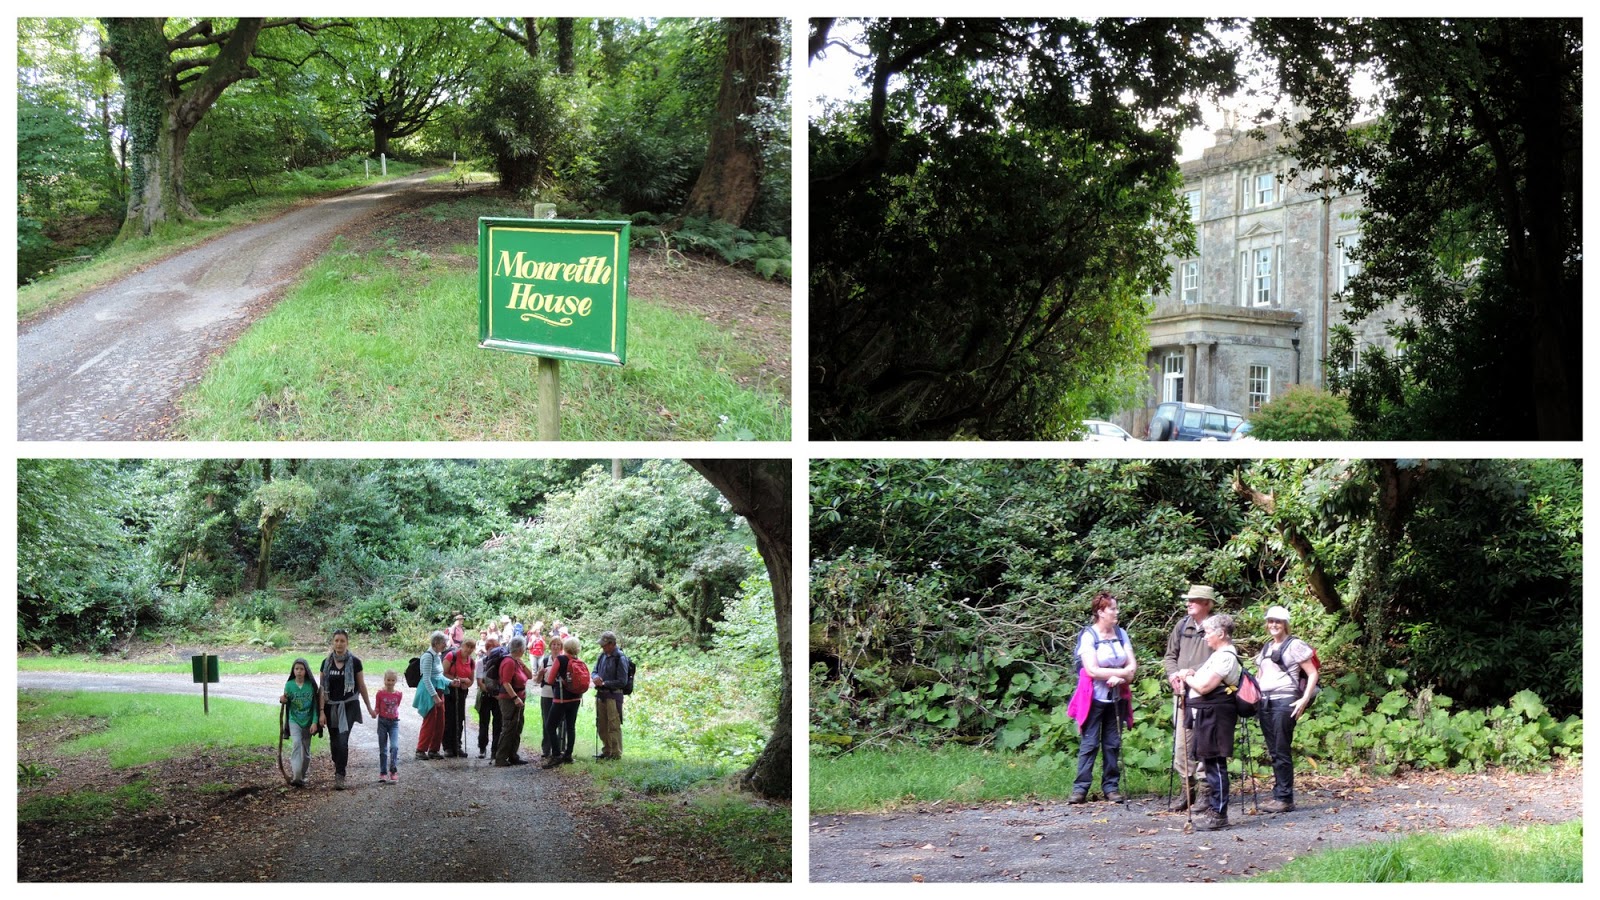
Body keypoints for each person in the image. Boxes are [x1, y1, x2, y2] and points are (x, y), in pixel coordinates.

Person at [1068, 593, 1135, 803]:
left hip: (1117, 698)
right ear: (1100, 612)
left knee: (1112, 743)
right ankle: (1080, 789)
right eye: (1112, 608)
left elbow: (1132, 668)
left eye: (1116, 608)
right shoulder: (1089, 636)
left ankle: (1111, 788)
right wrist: (1118, 674)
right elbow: (1091, 670)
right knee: (1089, 744)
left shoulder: (1121, 634)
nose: (1116, 612)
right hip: (1093, 698)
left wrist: (1120, 677)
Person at [1255, 605, 1320, 812]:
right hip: (1265, 701)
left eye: (1278, 621)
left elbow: (1312, 673)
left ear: (1285, 624)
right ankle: (1279, 795)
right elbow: (1260, 675)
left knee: (1281, 748)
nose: (1273, 625)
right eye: (1270, 621)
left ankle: (1284, 798)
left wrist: (1304, 699)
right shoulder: (1267, 647)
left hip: (1285, 701)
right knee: (1274, 750)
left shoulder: (1295, 645)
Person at [1182, 614, 1242, 830]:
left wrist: (1186, 677)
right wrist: (1192, 674)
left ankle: (1219, 813)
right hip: (1208, 713)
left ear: (1221, 634)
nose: (1205, 637)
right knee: (1209, 761)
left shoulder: (1226, 657)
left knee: (1216, 762)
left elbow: (1204, 687)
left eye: (1208, 632)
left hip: (1216, 715)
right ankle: (1215, 809)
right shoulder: (1218, 655)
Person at [1162, 584, 1217, 809]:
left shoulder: (1216, 627)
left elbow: (1221, 659)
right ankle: (1187, 790)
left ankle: (1206, 790)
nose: (1188, 603)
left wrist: (1194, 673)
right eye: (1188, 600)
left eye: (1193, 600)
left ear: (1206, 603)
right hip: (1182, 692)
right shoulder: (1182, 625)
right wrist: (1173, 675)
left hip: (1206, 693)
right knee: (1182, 744)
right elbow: (1170, 656)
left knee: (1204, 742)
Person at [319, 629, 374, 790]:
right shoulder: (326, 663)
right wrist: (321, 711)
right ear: (333, 642)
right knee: (335, 743)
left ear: (347, 643)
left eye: (342, 641)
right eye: (336, 640)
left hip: (349, 705)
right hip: (330, 707)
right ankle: (338, 762)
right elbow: (322, 688)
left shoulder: (355, 662)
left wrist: (369, 707)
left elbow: (361, 686)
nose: (339, 644)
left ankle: (340, 775)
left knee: (343, 740)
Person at [544, 636, 585, 768]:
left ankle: (556, 755)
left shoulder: (560, 659)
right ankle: (568, 755)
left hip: (561, 699)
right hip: (576, 698)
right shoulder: (578, 661)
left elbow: (550, 680)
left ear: (565, 647)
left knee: (550, 726)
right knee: (570, 727)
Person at [279, 658, 320, 787]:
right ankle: (296, 776)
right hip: (294, 720)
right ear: (293, 670)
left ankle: (302, 775)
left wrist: (315, 722)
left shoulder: (311, 686)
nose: (299, 671)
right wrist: (283, 700)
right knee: (296, 744)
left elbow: (315, 706)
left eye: (301, 669)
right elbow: (286, 700)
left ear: (306, 671)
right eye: (296, 669)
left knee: (306, 752)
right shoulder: (289, 685)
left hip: (308, 721)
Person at [591, 631, 631, 760]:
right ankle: (607, 750)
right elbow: (594, 671)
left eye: (605, 645)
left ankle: (616, 753)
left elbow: (622, 681)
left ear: (612, 644)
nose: (602, 647)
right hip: (601, 695)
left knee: (613, 725)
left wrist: (605, 683)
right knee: (601, 725)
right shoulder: (602, 656)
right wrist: (595, 677)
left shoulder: (620, 658)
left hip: (613, 696)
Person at [494, 636, 533, 767]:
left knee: (517, 727)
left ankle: (512, 755)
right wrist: (515, 698)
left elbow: (530, 676)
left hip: (519, 698)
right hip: (509, 700)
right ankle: (500, 757)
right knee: (509, 728)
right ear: (521, 649)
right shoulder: (509, 662)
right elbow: (506, 682)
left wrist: (523, 664)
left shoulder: (516, 661)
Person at [414, 631, 450, 760]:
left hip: (438, 691)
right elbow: (426, 679)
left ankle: (434, 750)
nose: (445, 645)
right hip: (429, 693)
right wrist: (435, 697)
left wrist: (452, 682)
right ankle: (420, 750)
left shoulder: (437, 656)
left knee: (440, 722)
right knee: (429, 721)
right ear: (436, 643)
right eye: (443, 642)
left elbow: (439, 676)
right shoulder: (428, 656)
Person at [443, 638, 477, 758]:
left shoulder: (471, 661)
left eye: (472, 647)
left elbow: (471, 680)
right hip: (449, 690)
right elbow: (443, 673)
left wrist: (466, 684)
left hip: (462, 691)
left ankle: (457, 745)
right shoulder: (451, 656)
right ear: (462, 646)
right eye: (467, 646)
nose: (469, 649)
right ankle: (447, 747)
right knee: (449, 718)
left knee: (460, 718)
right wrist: (460, 680)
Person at [475, 634, 503, 760]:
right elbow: (480, 682)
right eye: (490, 648)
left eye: (494, 648)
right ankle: (482, 747)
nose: (492, 651)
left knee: (498, 724)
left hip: (498, 697)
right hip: (486, 696)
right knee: (484, 723)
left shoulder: (501, 662)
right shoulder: (481, 662)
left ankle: (495, 749)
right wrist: (492, 693)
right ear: (486, 650)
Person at [374, 670, 403, 784]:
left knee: (394, 747)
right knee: (383, 749)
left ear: (396, 681)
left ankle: (393, 770)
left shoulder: (398, 694)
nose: (390, 683)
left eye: (392, 680)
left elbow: (397, 705)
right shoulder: (380, 694)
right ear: (384, 680)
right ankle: (383, 772)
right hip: (382, 722)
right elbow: (377, 707)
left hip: (394, 722)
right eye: (388, 680)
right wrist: (374, 713)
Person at [534, 635, 558, 760]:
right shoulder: (545, 660)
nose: (556, 647)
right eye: (553, 644)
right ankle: (546, 749)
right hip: (546, 693)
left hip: (559, 695)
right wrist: (540, 674)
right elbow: (538, 681)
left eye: (558, 644)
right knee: (546, 721)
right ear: (550, 646)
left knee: (559, 722)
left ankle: (558, 748)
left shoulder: (564, 660)